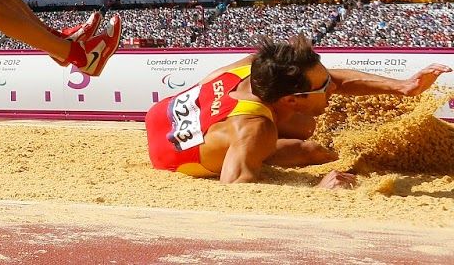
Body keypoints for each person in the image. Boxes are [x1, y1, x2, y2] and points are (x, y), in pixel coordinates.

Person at [145, 34, 450, 186]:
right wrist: (319, 189)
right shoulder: (255, 129)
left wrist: (403, 86)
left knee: (309, 131)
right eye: (323, 87)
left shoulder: (255, 68)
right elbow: (234, 191)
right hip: (171, 155)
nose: (332, 87)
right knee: (311, 148)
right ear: (291, 99)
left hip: (161, 114)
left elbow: (335, 80)